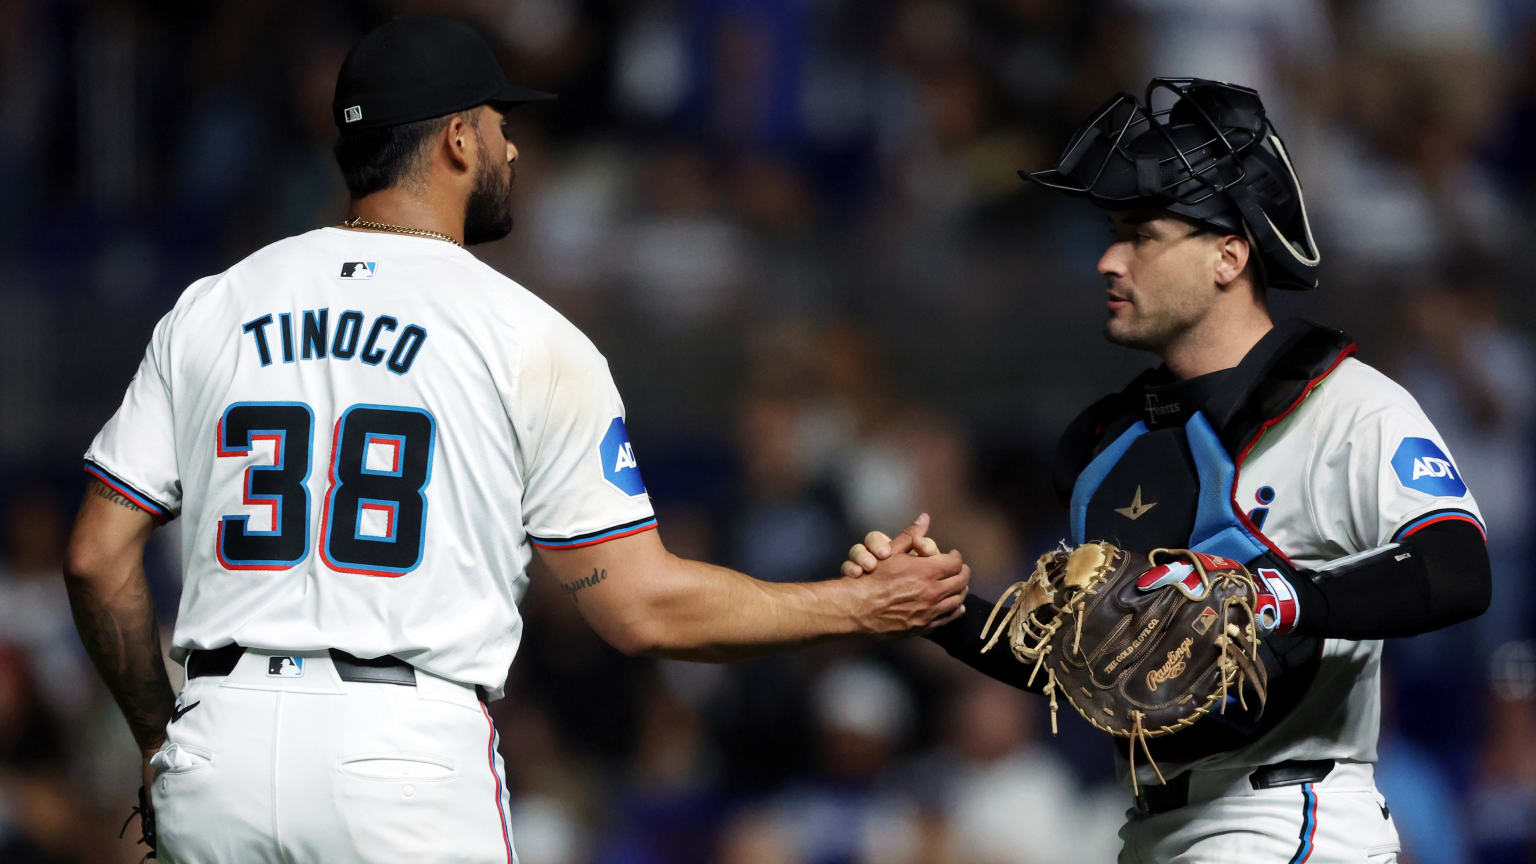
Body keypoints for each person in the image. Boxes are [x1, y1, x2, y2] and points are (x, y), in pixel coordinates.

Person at [62, 17, 968, 864]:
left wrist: (158, 735)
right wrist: (859, 606)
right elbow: (641, 609)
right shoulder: (524, 333)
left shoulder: (213, 305)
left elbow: (97, 558)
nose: (514, 148)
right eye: (501, 125)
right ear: (458, 138)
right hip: (401, 759)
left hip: (216, 743)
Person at [846, 78, 1490, 863]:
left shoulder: (1347, 405)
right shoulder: (1110, 449)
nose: (1108, 260)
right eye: (1112, 234)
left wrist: (1279, 598)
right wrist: (942, 613)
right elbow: (1090, 662)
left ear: (1228, 255)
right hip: (1155, 827)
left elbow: (1458, 569)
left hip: (1287, 814)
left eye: (1141, 235)